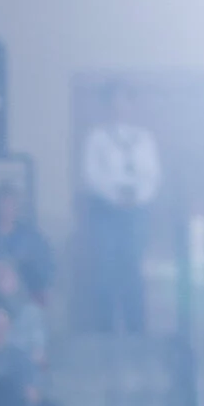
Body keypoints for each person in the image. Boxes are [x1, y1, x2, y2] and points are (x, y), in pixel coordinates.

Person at [80, 83, 159, 335]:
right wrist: (115, 196)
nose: (120, 107)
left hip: (136, 212)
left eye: (125, 101)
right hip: (106, 210)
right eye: (114, 102)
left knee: (133, 268)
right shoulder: (97, 137)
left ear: (132, 106)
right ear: (107, 106)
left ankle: (137, 330)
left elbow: (153, 175)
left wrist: (137, 196)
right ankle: (106, 331)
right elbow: (91, 175)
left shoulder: (145, 138)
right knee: (106, 270)